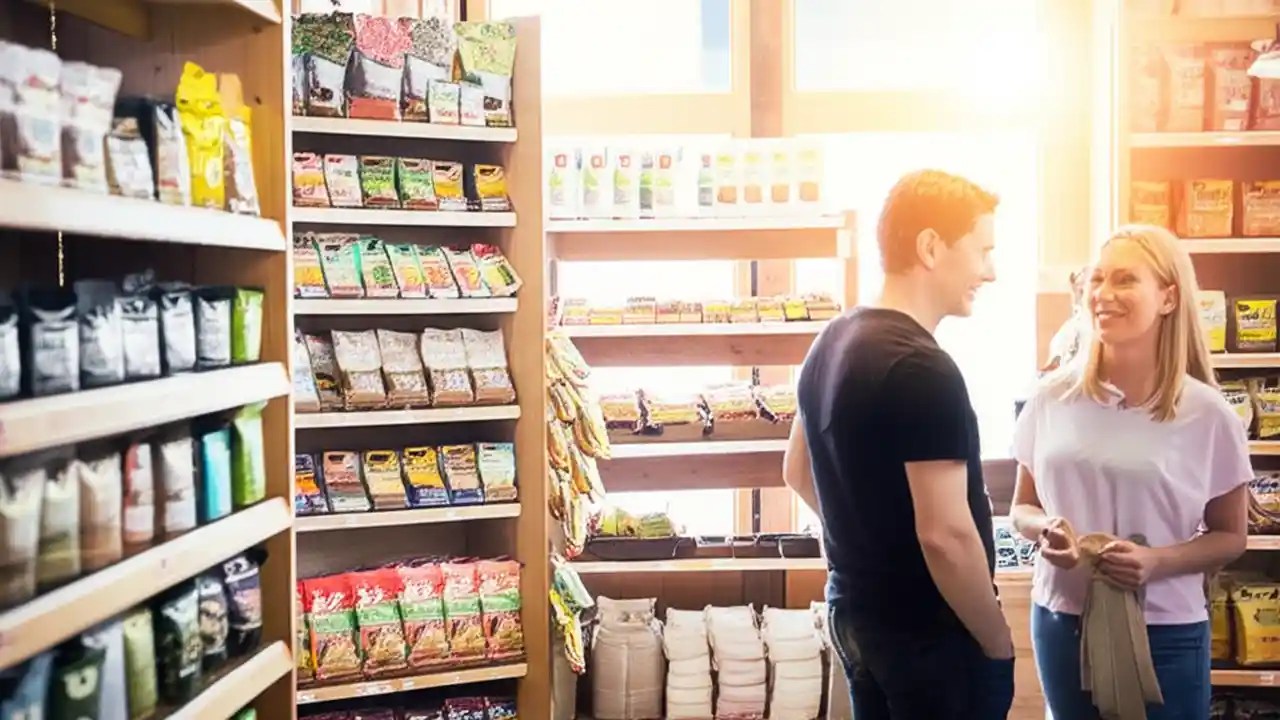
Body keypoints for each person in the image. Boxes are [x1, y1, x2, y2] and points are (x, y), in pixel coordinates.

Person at [784, 169, 1014, 719]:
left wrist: (868, 547)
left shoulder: (833, 340)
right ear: (931, 247)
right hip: (927, 632)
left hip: (856, 610)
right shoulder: (922, 367)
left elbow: (796, 470)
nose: (991, 271)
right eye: (982, 251)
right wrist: (998, 640)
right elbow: (945, 535)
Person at [1009, 224, 1252, 719]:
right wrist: (1047, 529)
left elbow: (1231, 536)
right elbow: (1022, 507)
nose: (1103, 294)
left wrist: (1156, 562)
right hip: (1062, 620)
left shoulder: (1207, 414)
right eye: (1096, 279)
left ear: (1168, 297)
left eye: (1124, 280)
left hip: (1165, 629)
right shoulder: (1051, 398)